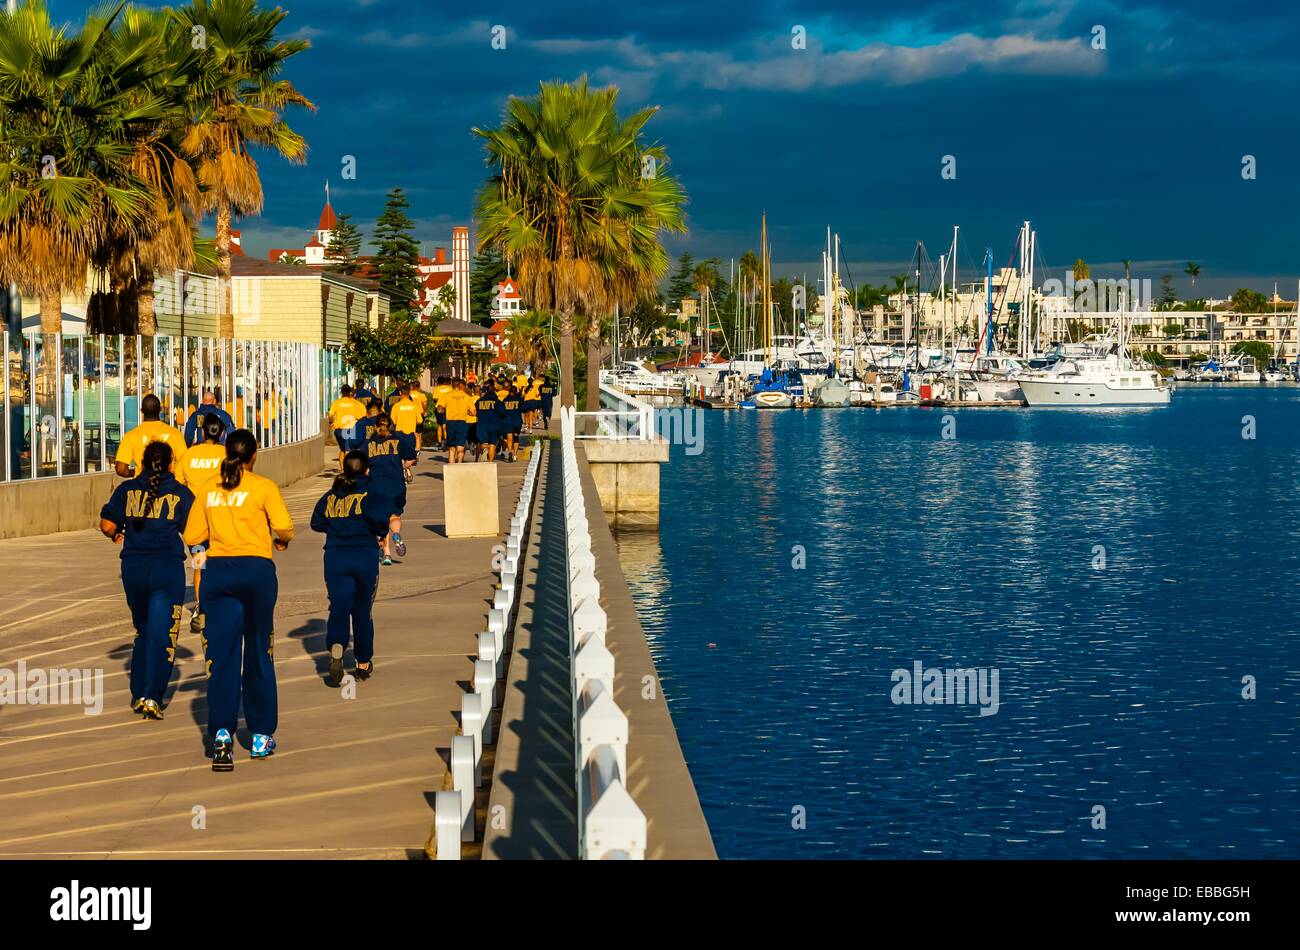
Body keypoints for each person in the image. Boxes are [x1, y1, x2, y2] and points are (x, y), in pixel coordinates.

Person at [183, 429, 294, 772]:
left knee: (223, 658)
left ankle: (220, 737)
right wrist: (280, 541)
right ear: (254, 455)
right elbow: (285, 527)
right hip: (256, 572)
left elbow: (192, 536)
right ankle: (260, 735)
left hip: (219, 575)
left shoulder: (209, 489)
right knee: (260, 650)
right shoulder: (262, 487)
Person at [100, 442, 195, 721]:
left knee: (143, 630)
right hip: (166, 569)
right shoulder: (180, 494)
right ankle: (153, 696)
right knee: (163, 633)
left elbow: (107, 524)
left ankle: (138, 692)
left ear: (142, 462)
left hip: (134, 567)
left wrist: (117, 535)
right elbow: (195, 534)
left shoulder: (126, 491)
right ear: (170, 464)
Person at [310, 451, 393, 686]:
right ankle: (363, 661)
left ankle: (336, 645)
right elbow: (380, 521)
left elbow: (316, 522)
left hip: (336, 556)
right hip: (363, 555)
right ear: (367, 470)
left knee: (338, 607)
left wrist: (338, 528)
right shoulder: (371, 492)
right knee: (362, 611)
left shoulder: (331, 495)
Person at [177, 414, 228, 633]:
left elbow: (178, 483)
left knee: (200, 562)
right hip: (220, 516)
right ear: (222, 433)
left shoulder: (189, 456)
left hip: (195, 518)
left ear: (203, 432)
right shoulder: (227, 455)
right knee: (222, 559)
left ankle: (201, 606)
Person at [364, 413, 416, 565]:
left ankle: (386, 554)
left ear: (376, 425)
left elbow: (363, 465)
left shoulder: (369, 443)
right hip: (396, 484)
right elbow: (411, 458)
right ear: (391, 425)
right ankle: (397, 534)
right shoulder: (398, 439)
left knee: (381, 519)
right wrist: (401, 467)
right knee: (394, 516)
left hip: (376, 484)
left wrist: (369, 473)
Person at [115, 394, 184, 478]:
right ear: (160, 410)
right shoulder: (175, 434)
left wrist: (136, 473)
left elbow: (120, 469)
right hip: (168, 484)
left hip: (142, 485)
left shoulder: (131, 436)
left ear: (141, 411)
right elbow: (184, 464)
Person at [327, 384, 367, 471]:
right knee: (349, 450)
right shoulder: (356, 404)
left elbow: (330, 415)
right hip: (351, 429)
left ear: (341, 393)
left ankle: (342, 469)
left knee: (343, 449)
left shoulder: (336, 402)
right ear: (350, 393)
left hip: (339, 430)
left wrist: (331, 423)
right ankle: (348, 470)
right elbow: (363, 416)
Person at [389, 382, 423, 482]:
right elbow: (420, 421)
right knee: (411, 456)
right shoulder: (414, 406)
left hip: (398, 434)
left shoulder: (396, 406)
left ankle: (403, 470)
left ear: (400, 393)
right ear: (409, 393)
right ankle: (406, 469)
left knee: (400, 455)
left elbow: (392, 421)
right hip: (410, 435)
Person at [443, 379, 472, 464]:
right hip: (461, 423)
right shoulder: (466, 396)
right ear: (459, 386)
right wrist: (466, 411)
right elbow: (473, 412)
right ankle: (459, 464)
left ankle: (451, 467)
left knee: (452, 448)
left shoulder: (447, 395)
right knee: (460, 447)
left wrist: (447, 409)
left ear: (452, 385)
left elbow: (439, 408)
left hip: (450, 423)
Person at [474, 381, 502, 463]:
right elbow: (503, 412)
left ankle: (485, 449)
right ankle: (490, 462)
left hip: (482, 424)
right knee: (493, 444)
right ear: (494, 391)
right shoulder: (497, 401)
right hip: (494, 425)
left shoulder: (479, 401)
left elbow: (476, 411)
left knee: (483, 441)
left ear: (486, 391)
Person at [501, 383, 524, 463]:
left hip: (507, 420)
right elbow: (523, 408)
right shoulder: (519, 400)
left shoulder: (505, 400)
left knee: (509, 437)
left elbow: (502, 411)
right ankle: (515, 455)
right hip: (517, 420)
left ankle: (510, 451)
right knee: (516, 438)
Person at [408, 379, 430, 451]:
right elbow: (425, 403)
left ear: (412, 386)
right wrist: (425, 411)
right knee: (419, 432)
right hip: (419, 414)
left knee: (411, 430)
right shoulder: (422, 395)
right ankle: (418, 446)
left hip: (410, 413)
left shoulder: (409, 394)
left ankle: (412, 445)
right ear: (419, 386)